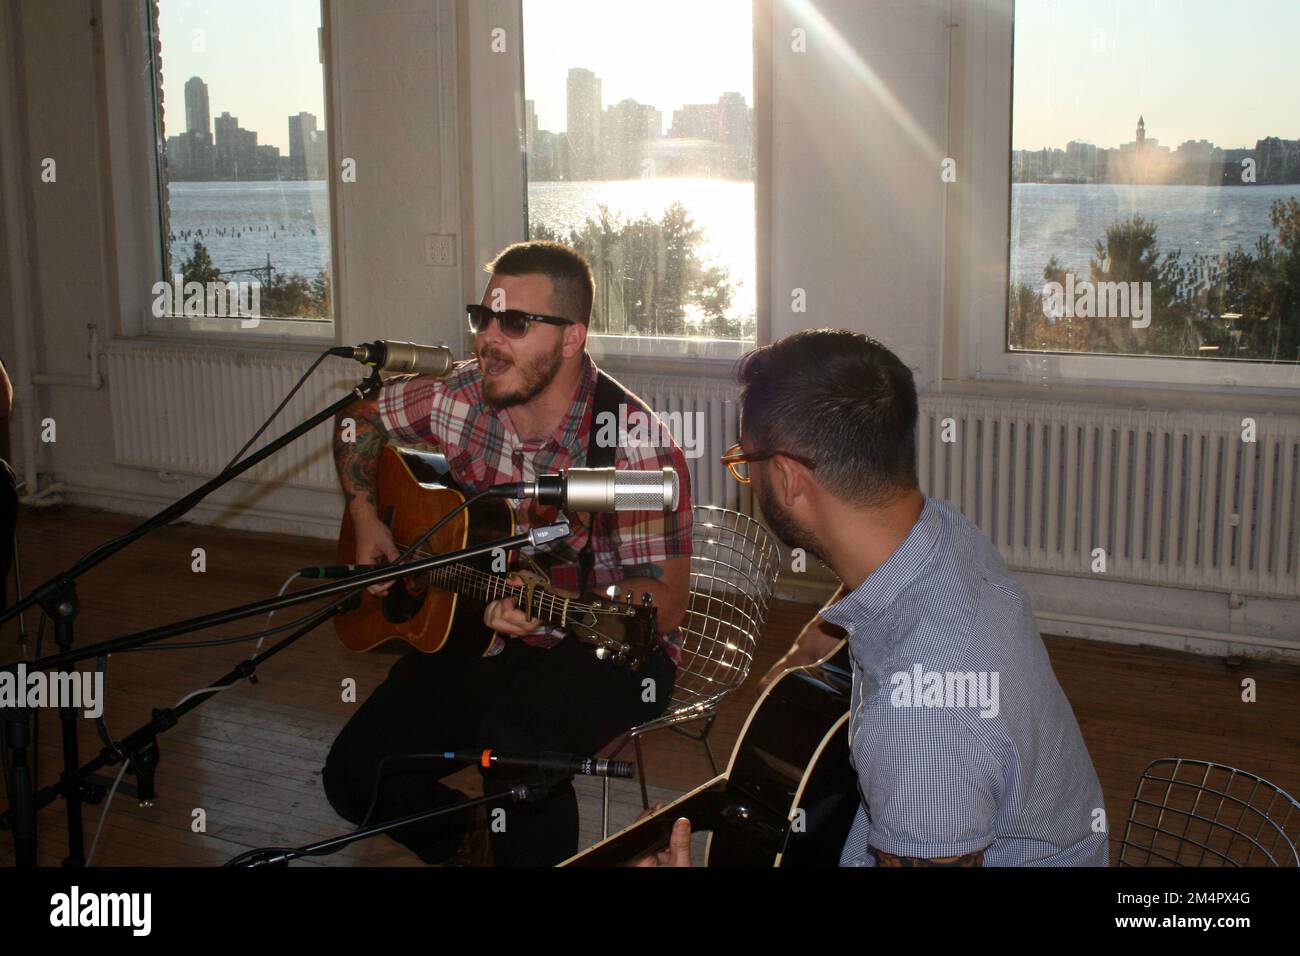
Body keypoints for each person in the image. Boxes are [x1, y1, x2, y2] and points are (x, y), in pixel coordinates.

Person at [648, 329, 1107, 866]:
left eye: (745, 463)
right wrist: (816, 637)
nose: (746, 479)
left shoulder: (918, 720)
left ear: (789, 478)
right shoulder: (942, 534)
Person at [323, 241, 692, 866]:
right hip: (480, 627)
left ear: (572, 338)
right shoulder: (461, 397)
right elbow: (359, 418)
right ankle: (469, 843)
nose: (489, 339)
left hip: (611, 647)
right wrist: (366, 516)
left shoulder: (633, 449)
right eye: (483, 317)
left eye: (514, 323)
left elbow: (664, 603)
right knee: (356, 773)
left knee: (516, 746)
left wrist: (553, 606)